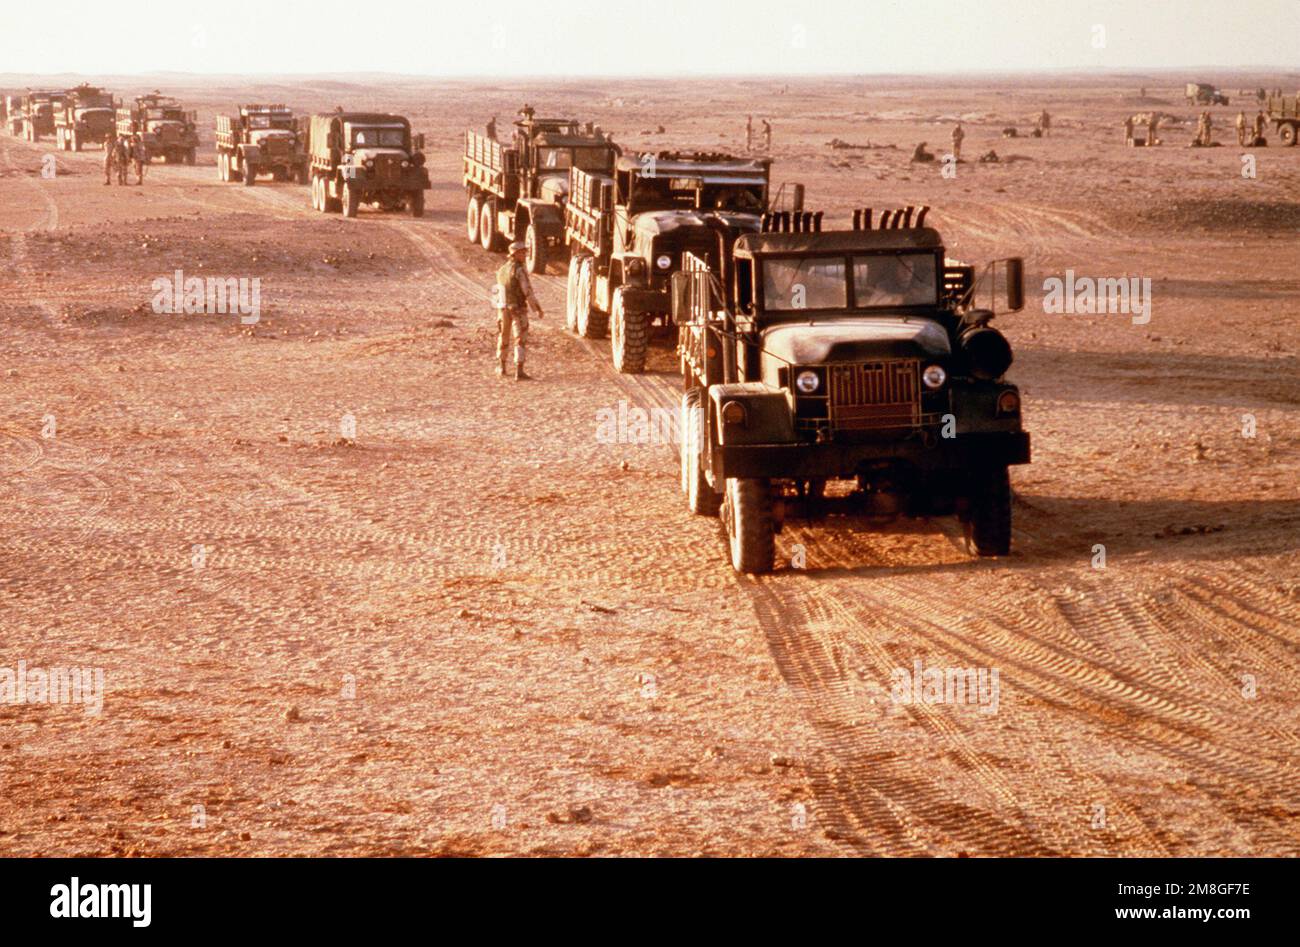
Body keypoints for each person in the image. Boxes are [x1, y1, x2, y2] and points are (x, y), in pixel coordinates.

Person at [495, 241, 544, 380]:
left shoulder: (502, 270)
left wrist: (499, 308)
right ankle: (519, 370)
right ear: (515, 254)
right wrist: (537, 309)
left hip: (503, 308)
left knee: (503, 337)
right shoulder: (519, 270)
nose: (525, 255)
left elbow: (497, 290)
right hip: (518, 309)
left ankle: (502, 367)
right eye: (522, 252)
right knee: (520, 339)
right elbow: (527, 291)